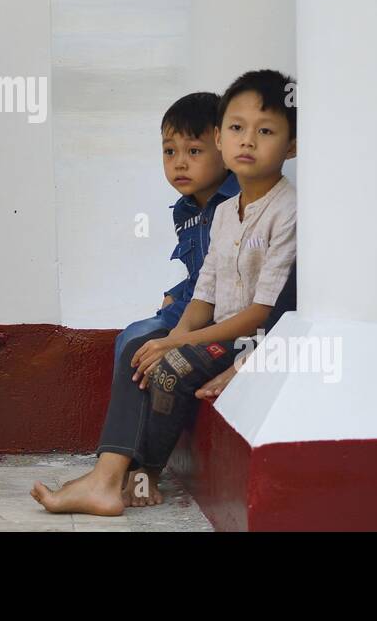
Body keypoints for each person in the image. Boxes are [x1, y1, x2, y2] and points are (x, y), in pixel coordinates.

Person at [32, 70, 297, 516]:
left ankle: (137, 472)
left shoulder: (285, 210)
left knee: (167, 364)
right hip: (215, 328)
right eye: (236, 129)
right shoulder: (228, 212)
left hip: (252, 338)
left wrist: (175, 339)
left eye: (265, 131)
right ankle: (108, 476)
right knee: (140, 346)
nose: (247, 141)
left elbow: (259, 313)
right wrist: (173, 327)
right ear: (222, 135)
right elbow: (204, 294)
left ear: (290, 145)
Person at [111, 91, 239, 505]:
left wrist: (181, 312)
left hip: (223, 319)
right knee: (133, 339)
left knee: (141, 345)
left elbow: (226, 283)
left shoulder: (236, 204)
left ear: (223, 148)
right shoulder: (186, 209)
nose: (179, 162)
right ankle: (120, 461)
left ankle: (137, 467)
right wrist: (175, 294)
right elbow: (198, 272)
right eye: (170, 151)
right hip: (193, 308)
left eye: (194, 150)